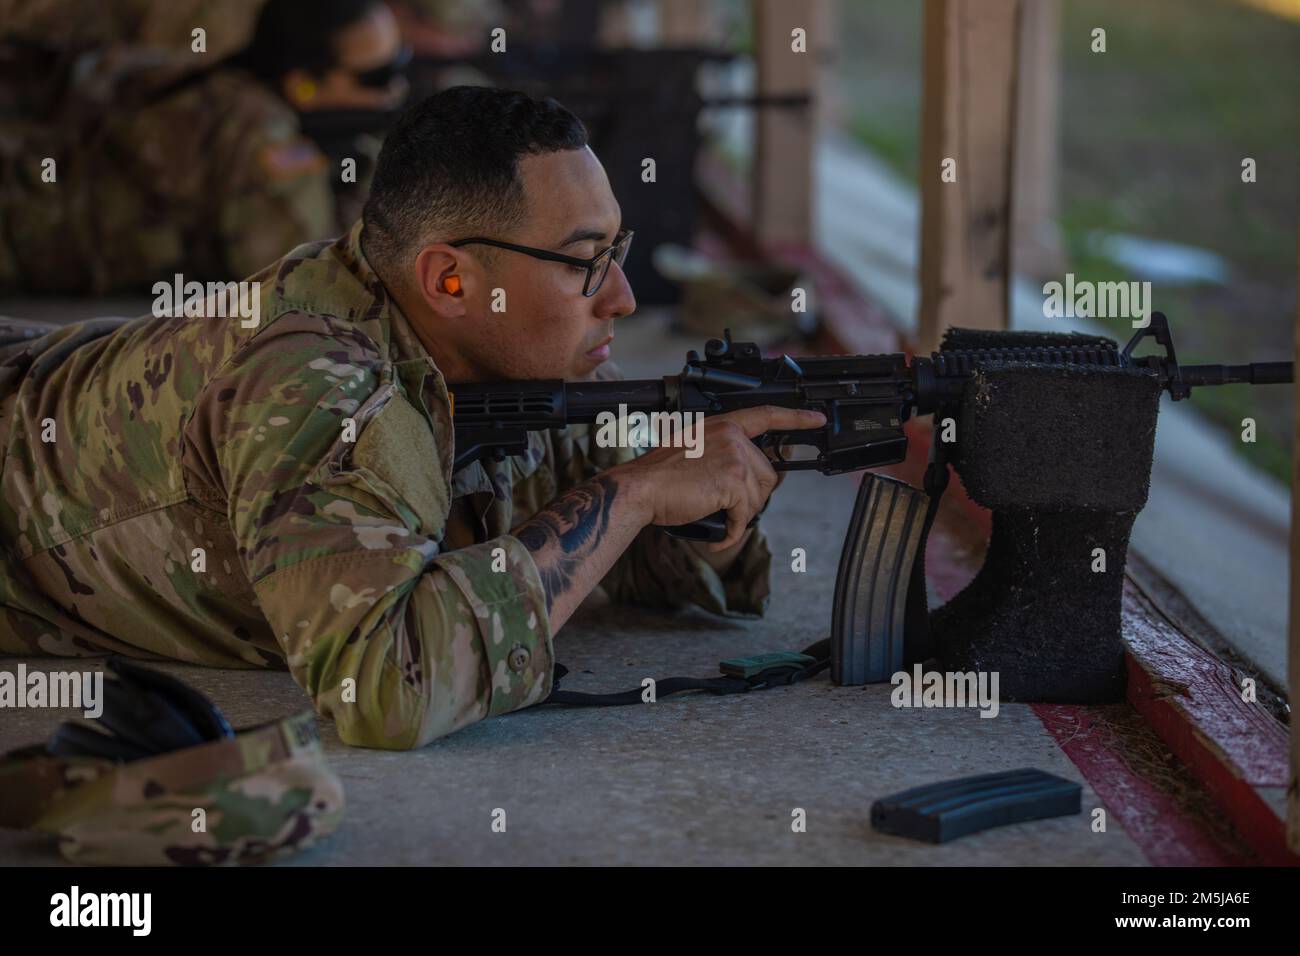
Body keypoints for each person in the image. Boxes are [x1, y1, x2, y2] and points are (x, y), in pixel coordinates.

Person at [0, 86, 823, 749]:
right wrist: (635, 495)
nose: (623, 297)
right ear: (451, 280)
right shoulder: (319, 386)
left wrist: (703, 509)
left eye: (618, 249)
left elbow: (603, 547)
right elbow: (385, 688)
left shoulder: (485, 355)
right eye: (585, 263)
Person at [0, 0, 408, 294]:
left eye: (402, 64)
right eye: (378, 77)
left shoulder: (211, 79)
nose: (397, 89)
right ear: (302, 82)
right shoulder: (261, 136)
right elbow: (304, 287)